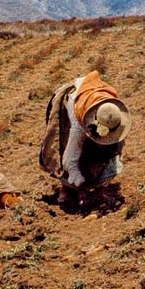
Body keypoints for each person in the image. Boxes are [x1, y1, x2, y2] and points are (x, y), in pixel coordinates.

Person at [40, 70, 130, 209]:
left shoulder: (112, 112)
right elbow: (69, 160)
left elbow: (116, 150)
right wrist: (80, 184)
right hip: (72, 103)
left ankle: (100, 188)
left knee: (107, 151)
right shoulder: (78, 123)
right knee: (65, 146)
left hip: (90, 95)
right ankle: (66, 189)